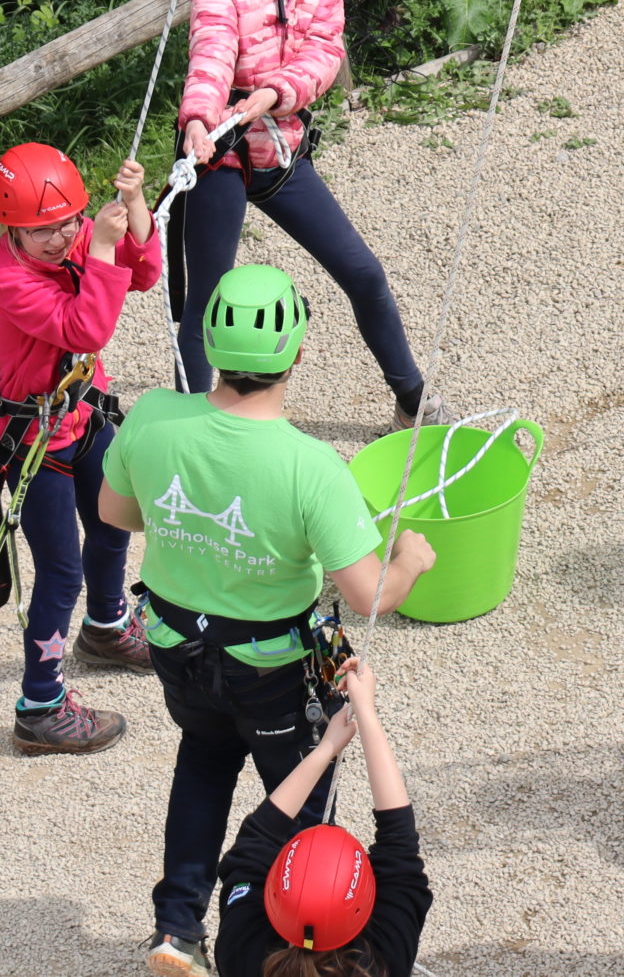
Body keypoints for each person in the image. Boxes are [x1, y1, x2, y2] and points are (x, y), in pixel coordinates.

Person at [99, 262, 436, 977]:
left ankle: (177, 925)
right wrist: (410, 559)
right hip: (270, 666)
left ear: (209, 344)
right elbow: (371, 594)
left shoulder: (152, 416)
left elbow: (116, 512)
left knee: (203, 757)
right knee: (303, 799)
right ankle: (305, 945)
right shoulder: (310, 464)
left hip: (175, 644)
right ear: (298, 354)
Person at [170, 0, 424, 426]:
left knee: (363, 272)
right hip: (222, 147)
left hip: (281, 144)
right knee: (206, 298)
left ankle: (414, 402)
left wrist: (275, 93)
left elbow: (324, 50)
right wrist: (199, 119)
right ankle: (185, 431)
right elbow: (212, 48)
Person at [0, 140, 162, 754]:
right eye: (42, 231)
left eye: (69, 222)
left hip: (85, 414)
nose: (60, 239)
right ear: (11, 228)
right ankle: (40, 707)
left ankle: (107, 626)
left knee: (113, 524)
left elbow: (144, 273)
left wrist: (135, 207)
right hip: (35, 440)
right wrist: (101, 245)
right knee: (60, 572)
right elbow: (88, 327)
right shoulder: (9, 278)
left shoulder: (79, 235)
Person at [212, 656, 434, 977]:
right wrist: (366, 713)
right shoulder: (384, 957)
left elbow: (255, 841)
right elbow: (400, 848)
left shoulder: (242, 947)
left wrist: (326, 748)